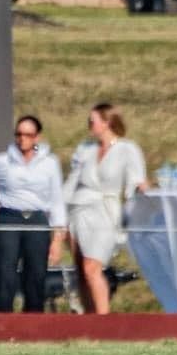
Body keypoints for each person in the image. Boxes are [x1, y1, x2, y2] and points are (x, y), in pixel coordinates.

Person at [0, 115, 65, 313]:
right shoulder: (2, 161)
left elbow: (56, 200)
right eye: (19, 134)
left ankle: (34, 318)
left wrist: (57, 238)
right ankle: (2, 319)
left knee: (36, 273)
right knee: (5, 272)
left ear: (37, 137)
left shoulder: (50, 163)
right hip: (9, 217)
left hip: (36, 219)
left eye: (28, 135)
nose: (22, 139)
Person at [62, 103, 147, 315]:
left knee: (92, 267)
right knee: (81, 270)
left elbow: (136, 181)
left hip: (105, 213)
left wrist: (142, 193)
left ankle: (103, 320)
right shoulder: (85, 149)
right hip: (78, 210)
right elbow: (72, 182)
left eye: (93, 120)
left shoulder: (127, 149)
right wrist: (58, 211)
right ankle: (88, 318)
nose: (89, 125)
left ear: (107, 122)